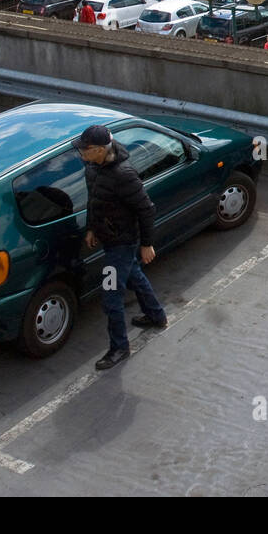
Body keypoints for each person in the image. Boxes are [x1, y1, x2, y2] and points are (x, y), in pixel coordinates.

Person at [74, 124, 166, 371]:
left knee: (111, 297)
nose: (81, 153)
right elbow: (94, 200)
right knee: (134, 275)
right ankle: (156, 315)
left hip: (123, 243)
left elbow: (146, 209)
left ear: (101, 150)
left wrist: (147, 244)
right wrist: (92, 228)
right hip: (109, 237)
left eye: (86, 149)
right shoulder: (92, 166)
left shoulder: (124, 175)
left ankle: (119, 348)